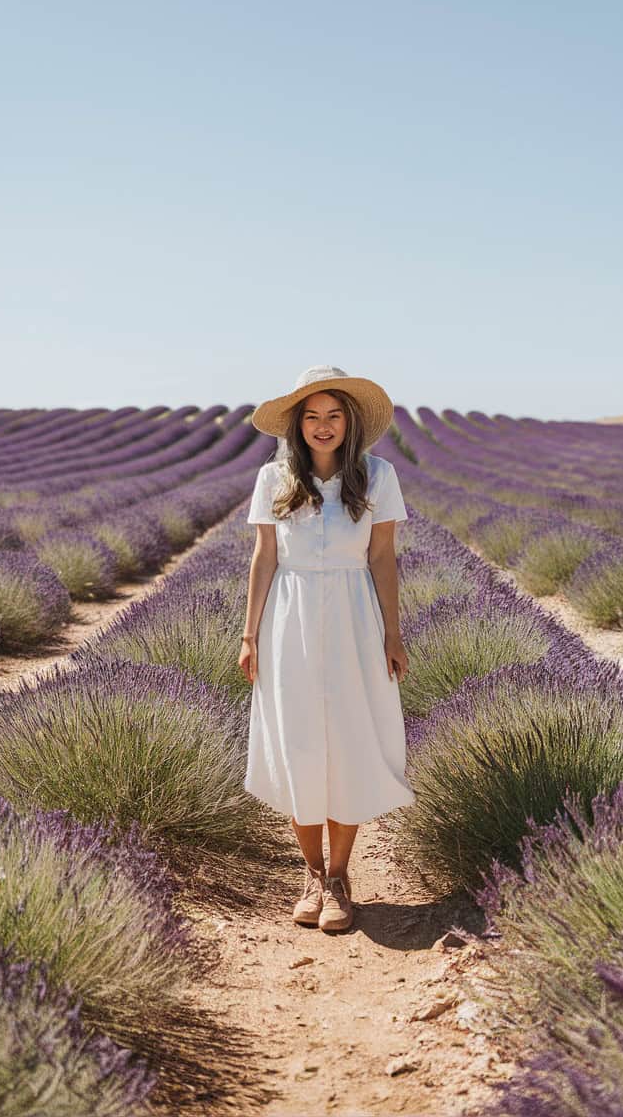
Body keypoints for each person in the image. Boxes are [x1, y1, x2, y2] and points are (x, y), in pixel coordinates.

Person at [238, 365, 416, 934]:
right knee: (301, 744)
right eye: (312, 416)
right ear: (297, 425)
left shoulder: (379, 475)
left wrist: (393, 632)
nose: (323, 425)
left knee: (350, 741)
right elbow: (264, 558)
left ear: (350, 422)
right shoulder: (273, 479)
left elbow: (382, 557)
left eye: (333, 415)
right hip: (288, 621)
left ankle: (339, 877)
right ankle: (311, 873)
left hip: (354, 619)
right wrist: (249, 636)